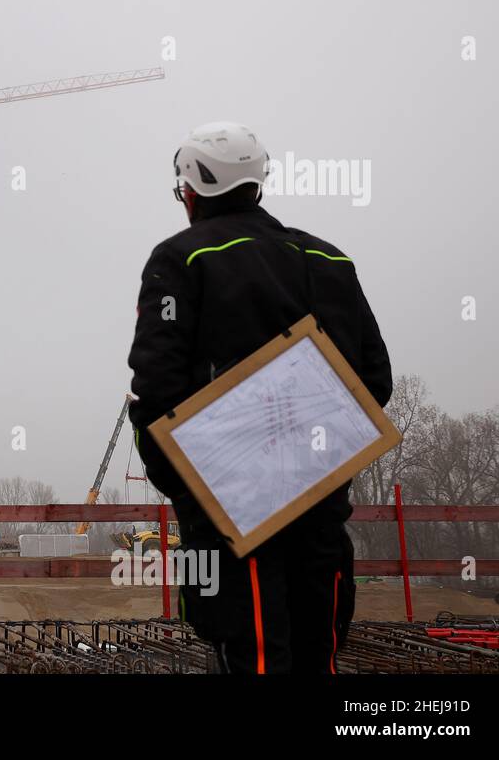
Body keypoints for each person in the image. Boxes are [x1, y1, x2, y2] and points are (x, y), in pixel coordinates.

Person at [127, 122, 392, 674]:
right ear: (258, 184)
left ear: (192, 192)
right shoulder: (332, 261)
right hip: (320, 513)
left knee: (253, 658)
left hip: (232, 523)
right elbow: (374, 381)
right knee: (317, 658)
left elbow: (156, 391)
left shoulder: (180, 260)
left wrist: (193, 492)